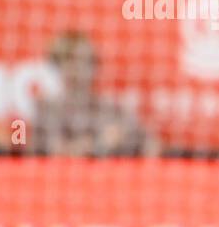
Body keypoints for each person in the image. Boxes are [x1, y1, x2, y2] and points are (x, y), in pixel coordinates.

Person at [30, 32, 158, 157]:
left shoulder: (111, 109)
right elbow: (54, 151)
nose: (77, 69)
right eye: (70, 61)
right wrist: (99, 143)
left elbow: (151, 145)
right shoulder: (47, 110)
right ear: (57, 66)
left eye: (85, 61)